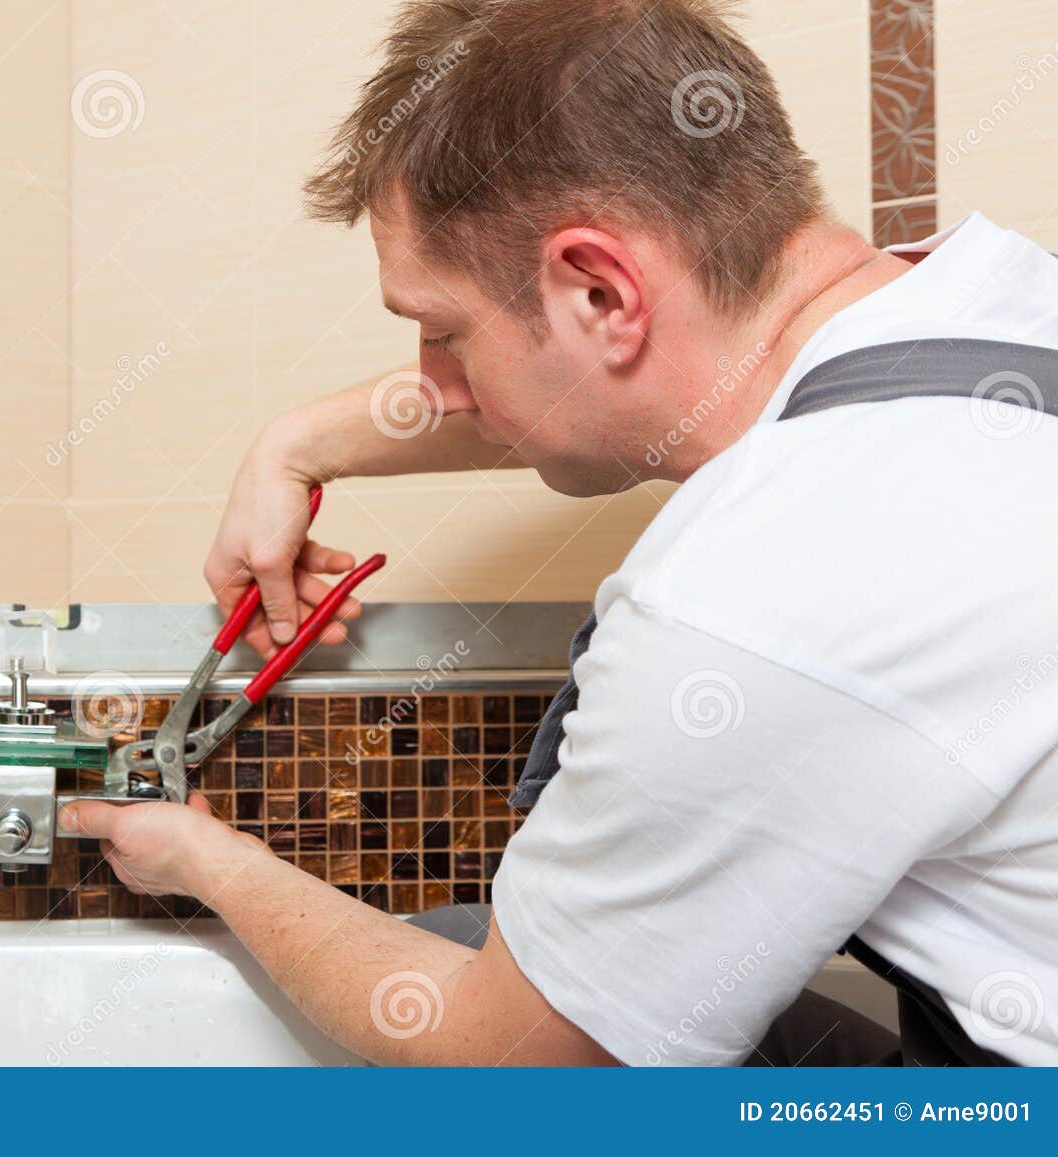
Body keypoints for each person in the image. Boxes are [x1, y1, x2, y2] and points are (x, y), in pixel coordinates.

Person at [61, 0, 1058, 1066]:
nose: (434, 382)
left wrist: (212, 862)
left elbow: (513, 1062)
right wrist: (298, 444)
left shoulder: (749, 603)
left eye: (442, 332)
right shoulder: (991, 303)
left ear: (597, 289)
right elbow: (611, 397)